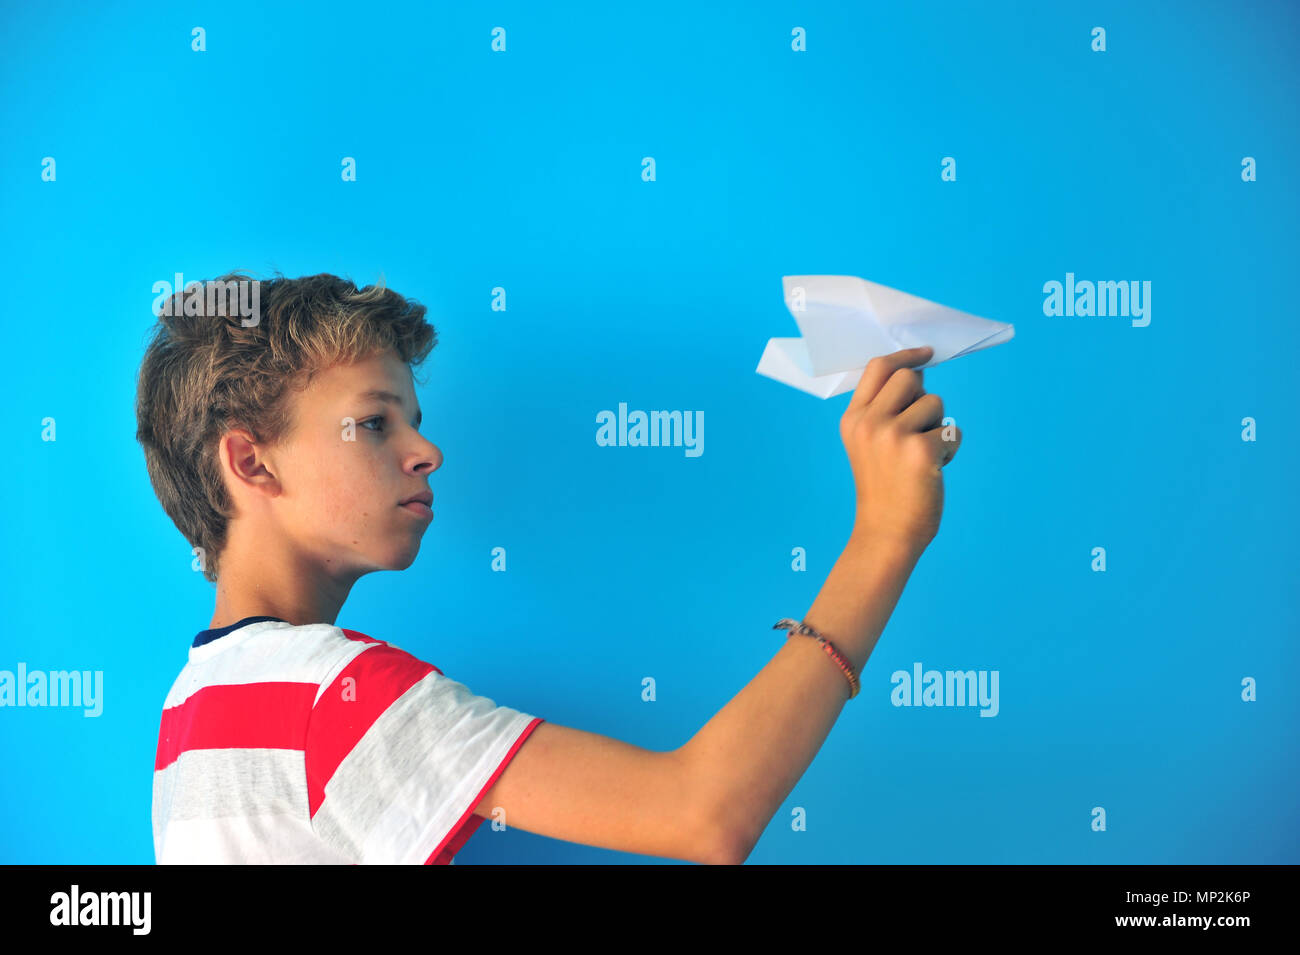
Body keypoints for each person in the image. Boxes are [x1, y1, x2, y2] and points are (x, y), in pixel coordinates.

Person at [136, 271, 959, 865]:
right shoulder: (332, 697)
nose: (427, 451)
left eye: (412, 420)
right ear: (251, 462)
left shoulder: (193, 708)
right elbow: (705, 812)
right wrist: (887, 535)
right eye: (374, 424)